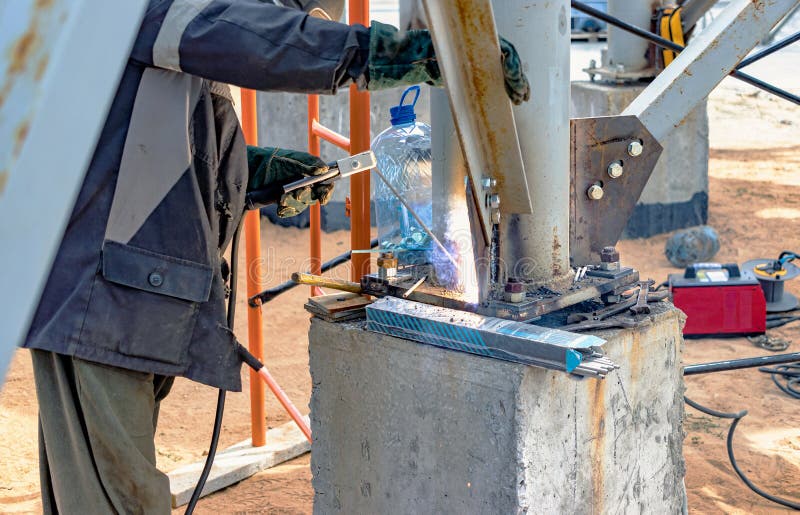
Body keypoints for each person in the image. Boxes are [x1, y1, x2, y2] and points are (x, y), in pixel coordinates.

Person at [23, 0, 531, 512]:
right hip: (95, 298)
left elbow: (144, 141)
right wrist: (391, 54)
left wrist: (250, 173)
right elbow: (252, 40)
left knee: (98, 492)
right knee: (117, 500)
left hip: (125, 293)